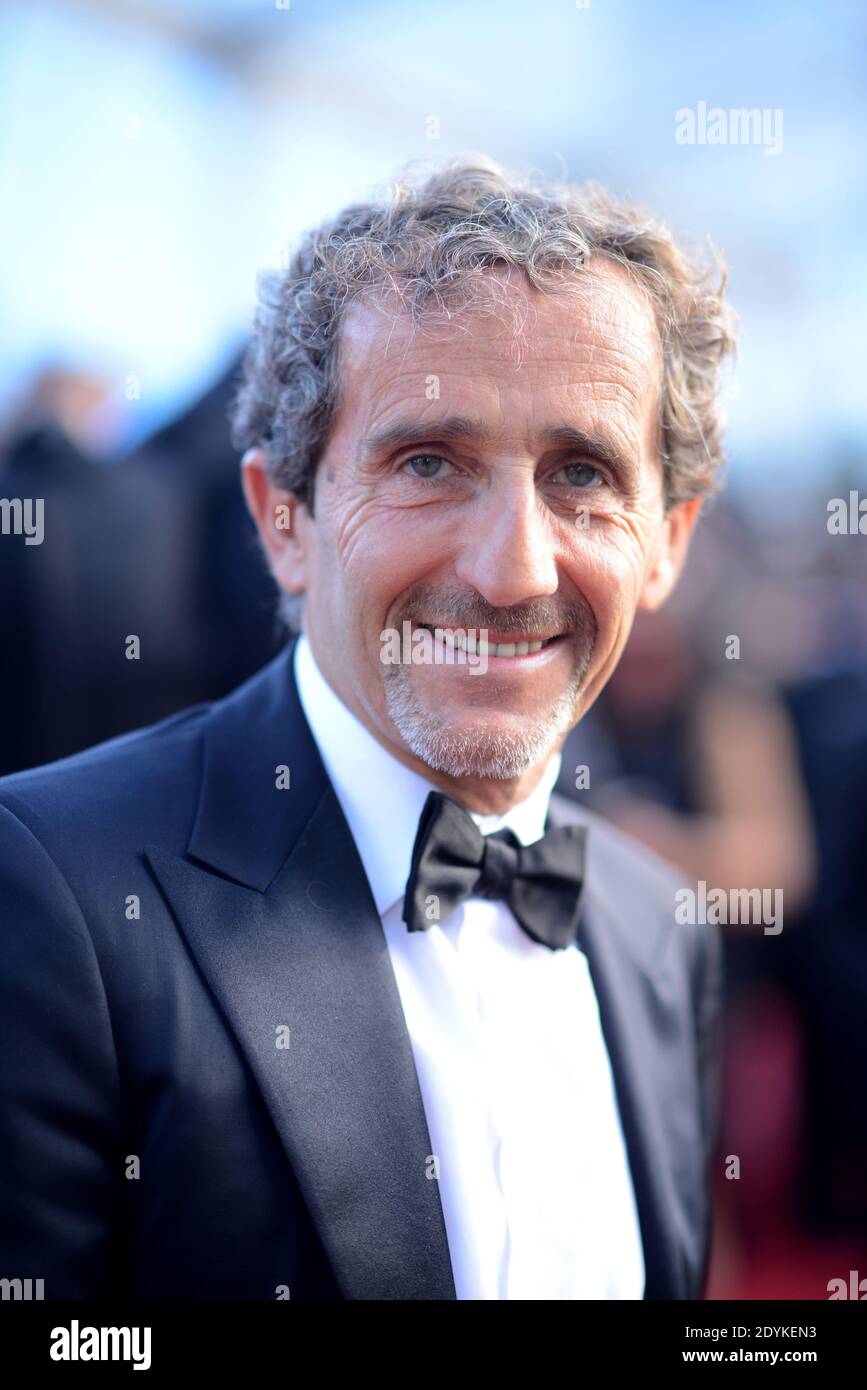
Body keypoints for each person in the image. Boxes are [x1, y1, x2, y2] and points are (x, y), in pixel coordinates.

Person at [0, 157, 735, 1300]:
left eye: (581, 472)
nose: (512, 570)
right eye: (430, 462)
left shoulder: (658, 928)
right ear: (281, 520)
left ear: (669, 541)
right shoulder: (53, 895)